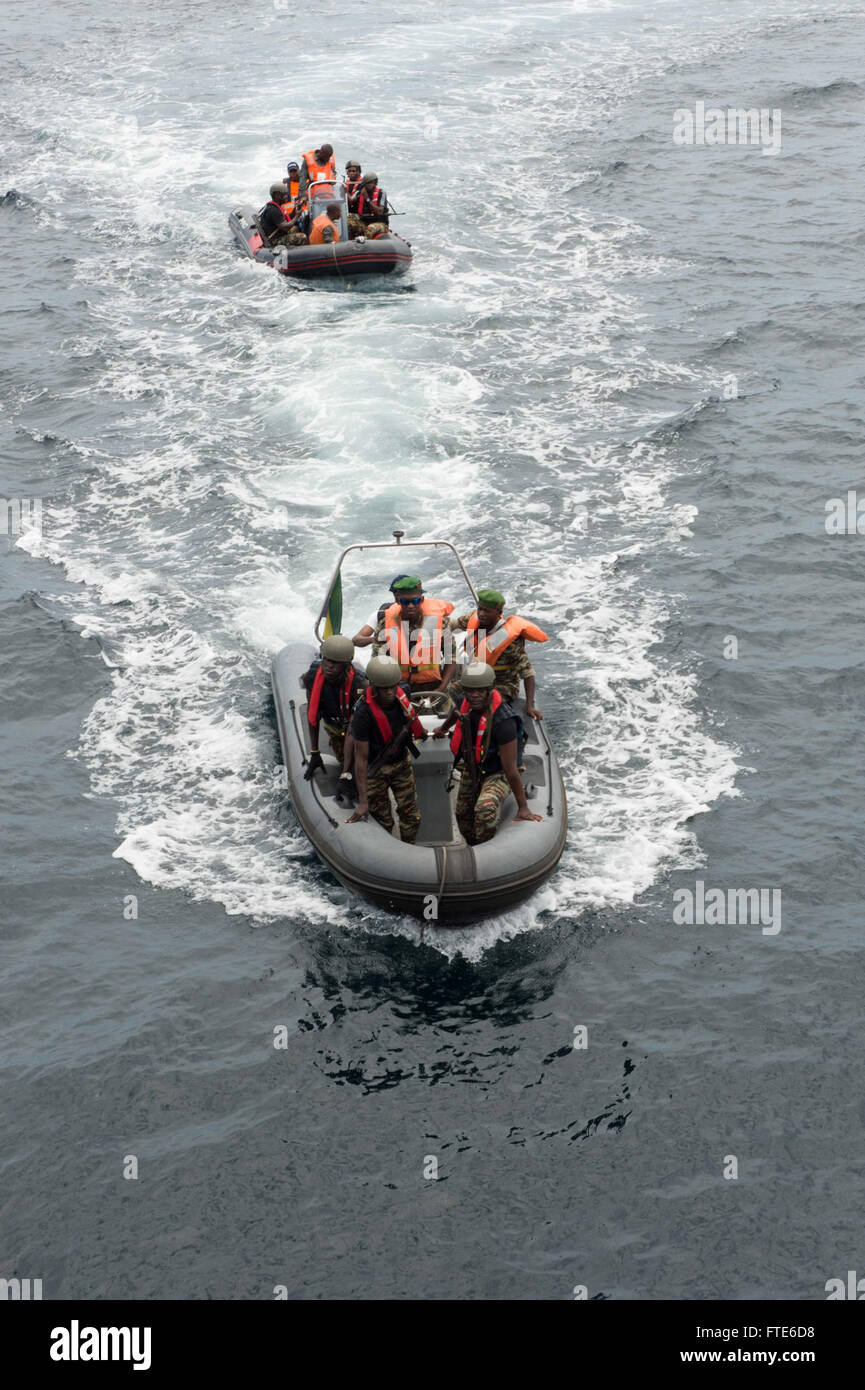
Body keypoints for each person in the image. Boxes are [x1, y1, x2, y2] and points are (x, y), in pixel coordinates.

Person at [437, 662, 542, 845]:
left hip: (498, 771)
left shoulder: (504, 721)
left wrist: (523, 807)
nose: (474, 695)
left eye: (480, 691)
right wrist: (443, 728)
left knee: (484, 811)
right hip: (474, 766)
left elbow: (510, 768)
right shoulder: (465, 701)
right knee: (463, 815)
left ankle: (487, 848)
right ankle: (474, 845)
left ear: (490, 689)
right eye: (470, 690)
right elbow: (456, 712)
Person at [347, 656, 427, 842]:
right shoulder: (363, 714)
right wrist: (363, 800)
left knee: (412, 816)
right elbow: (361, 759)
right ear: (374, 687)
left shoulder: (403, 695)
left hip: (401, 764)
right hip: (376, 769)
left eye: (393, 686)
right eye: (384, 688)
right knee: (383, 820)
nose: (390, 692)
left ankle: (408, 847)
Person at [446, 588, 547, 721]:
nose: (481, 614)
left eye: (486, 611)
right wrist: (441, 626)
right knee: (450, 691)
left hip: (502, 684)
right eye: (480, 609)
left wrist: (530, 705)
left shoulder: (509, 641)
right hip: (477, 679)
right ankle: (453, 722)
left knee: (481, 700)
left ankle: (480, 727)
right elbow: (454, 623)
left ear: (498, 613)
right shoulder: (474, 619)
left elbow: (528, 673)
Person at [302, 635, 366, 787]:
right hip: (334, 726)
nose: (330, 666)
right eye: (327, 660)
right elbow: (313, 715)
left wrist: (346, 773)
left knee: (364, 768)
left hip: (359, 730)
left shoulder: (360, 685)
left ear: (346, 664)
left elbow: (354, 730)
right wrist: (314, 752)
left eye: (336, 663)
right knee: (345, 760)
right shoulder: (312, 676)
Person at [375, 576, 456, 695]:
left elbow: (452, 657)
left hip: (434, 687)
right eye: (405, 602)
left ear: (422, 599)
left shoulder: (440, 623)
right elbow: (377, 661)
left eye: (415, 601)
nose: (411, 605)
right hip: (396, 688)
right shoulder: (385, 625)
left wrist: (442, 688)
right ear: (397, 600)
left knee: (450, 712)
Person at [352, 575, 411, 648]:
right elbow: (356, 640)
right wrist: (378, 639)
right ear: (396, 595)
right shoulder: (381, 614)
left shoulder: (424, 614)